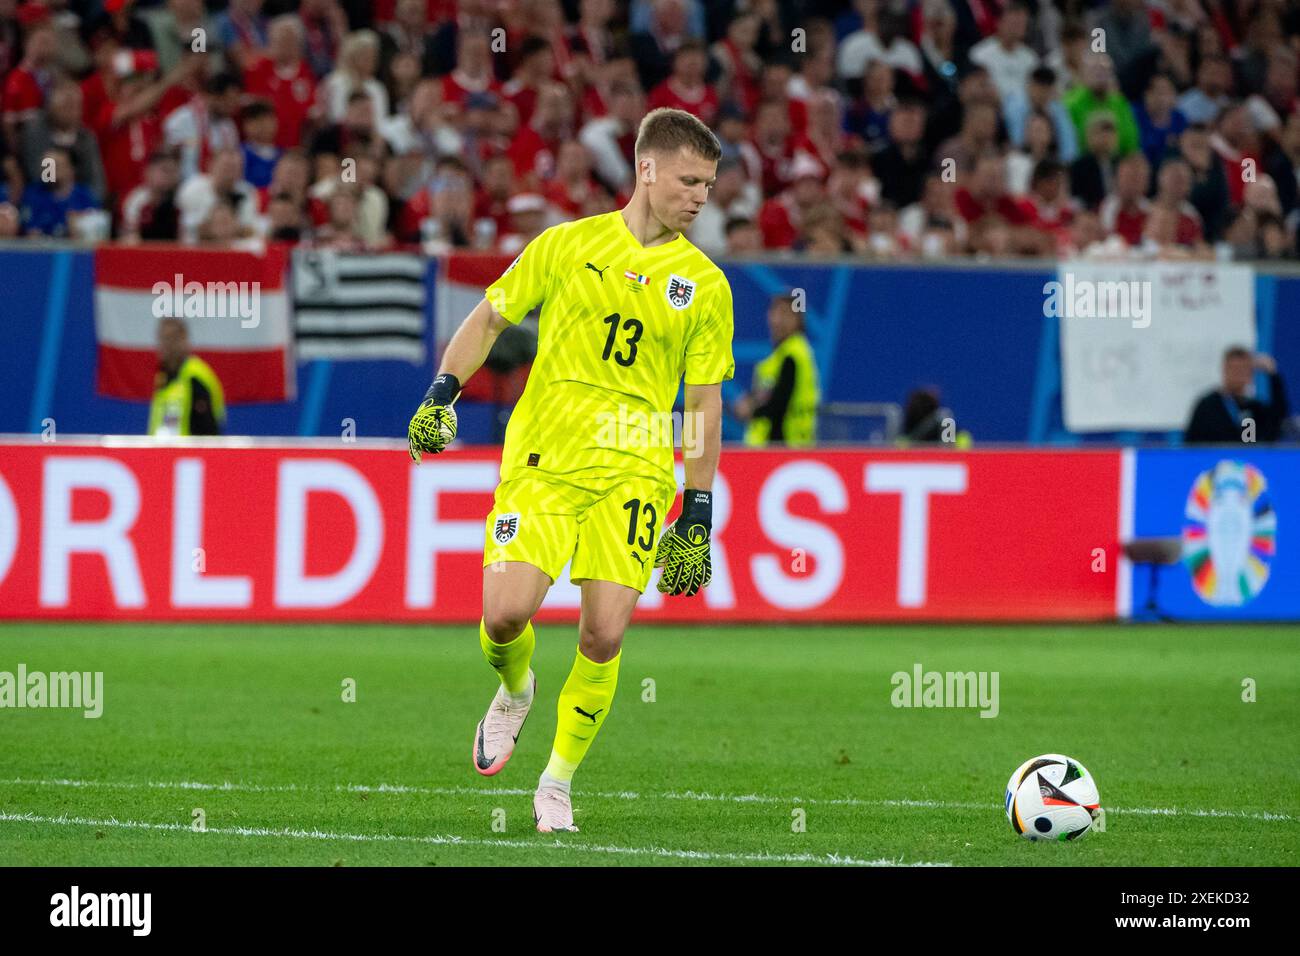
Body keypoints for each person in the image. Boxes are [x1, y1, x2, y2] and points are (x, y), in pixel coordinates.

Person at [406, 108, 733, 834]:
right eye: (689, 180)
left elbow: (703, 399)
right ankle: (516, 688)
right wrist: (442, 393)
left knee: (603, 636)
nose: (700, 198)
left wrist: (699, 507)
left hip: (636, 475)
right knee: (503, 615)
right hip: (544, 460)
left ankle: (557, 779)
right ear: (647, 169)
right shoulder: (566, 245)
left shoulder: (705, 286)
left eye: (708, 185)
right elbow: (491, 318)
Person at [732, 294, 820, 446]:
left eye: (785, 314)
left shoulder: (794, 355)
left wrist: (751, 410)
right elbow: (767, 392)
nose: (777, 320)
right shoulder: (778, 357)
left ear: (797, 320)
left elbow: (780, 403)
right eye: (775, 313)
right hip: (771, 446)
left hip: (786, 445)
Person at [1185, 347, 1289, 444]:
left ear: (1250, 374)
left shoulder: (1252, 408)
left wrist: (1273, 376)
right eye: (1234, 369)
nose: (1238, 375)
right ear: (1224, 370)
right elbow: (1192, 444)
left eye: (1243, 370)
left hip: (1246, 461)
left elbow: (1275, 423)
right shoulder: (1207, 406)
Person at [149, 318, 226, 436]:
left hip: (189, 453)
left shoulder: (196, 378)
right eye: (161, 339)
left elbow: (208, 435)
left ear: (184, 340)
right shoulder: (162, 376)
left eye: (171, 339)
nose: (165, 345)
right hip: (160, 452)